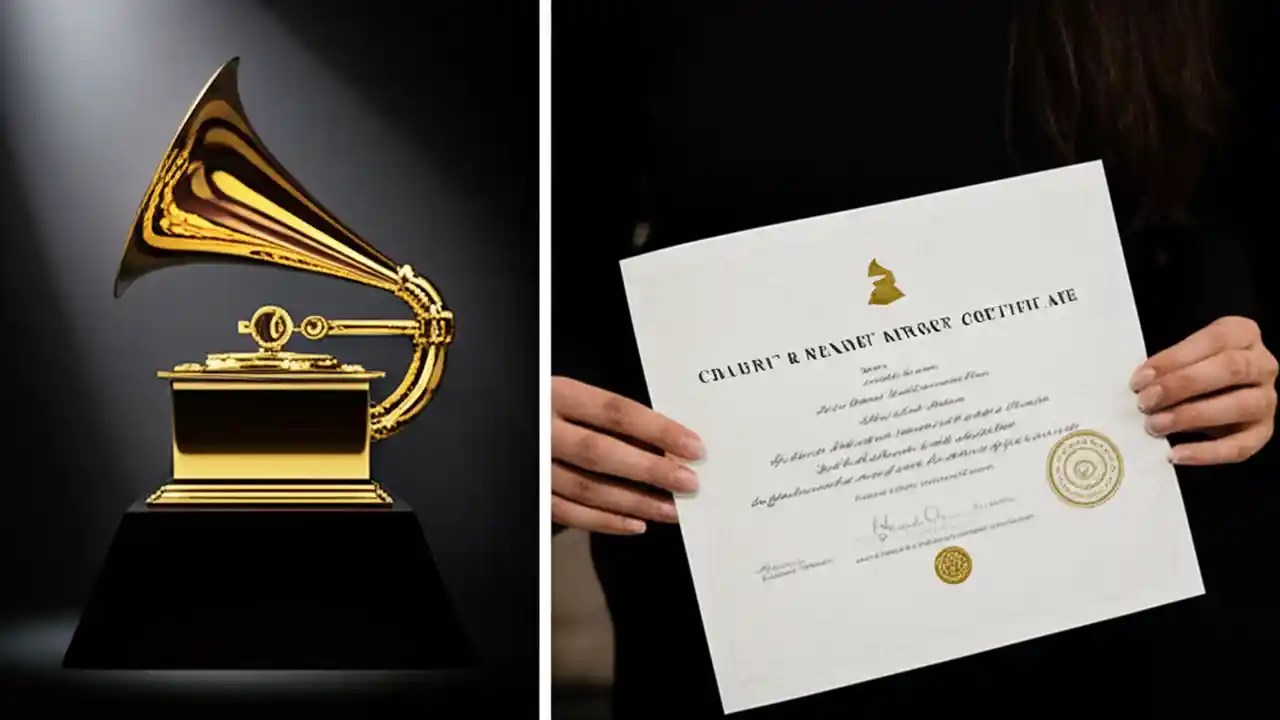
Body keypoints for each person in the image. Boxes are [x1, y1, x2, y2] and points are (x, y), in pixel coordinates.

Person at [552, 2, 1278, 716]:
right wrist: (529, 418)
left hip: (1135, 590)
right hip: (762, 616)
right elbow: (542, 237)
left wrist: (1250, 364)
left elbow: (1218, 206)